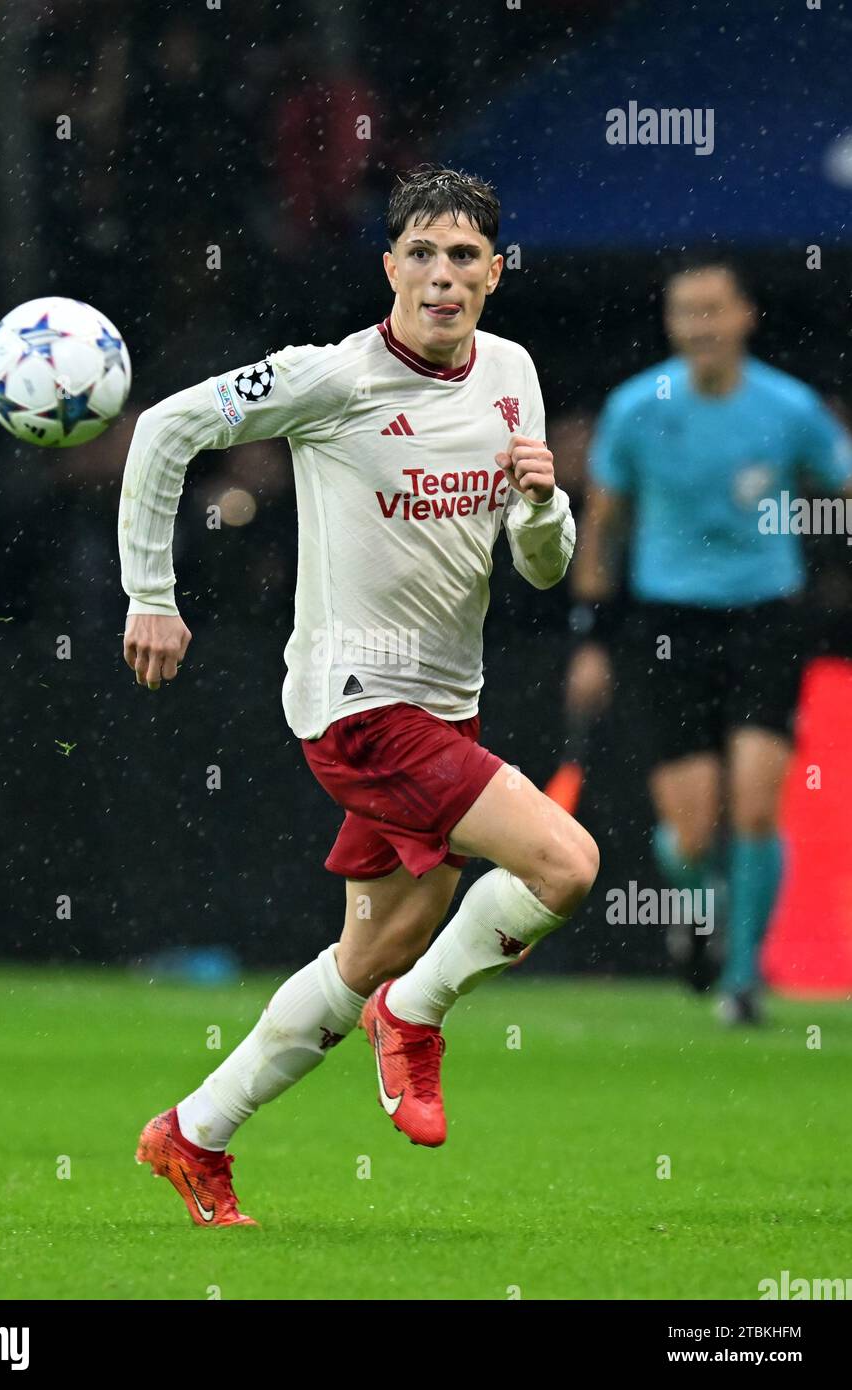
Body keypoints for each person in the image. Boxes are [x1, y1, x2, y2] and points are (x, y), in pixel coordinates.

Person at [118, 164, 598, 1227]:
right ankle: (415, 1016)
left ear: (494, 274)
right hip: (354, 706)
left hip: (445, 704)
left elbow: (541, 567)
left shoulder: (511, 374)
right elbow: (163, 429)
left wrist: (538, 504)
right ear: (387, 266)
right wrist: (150, 593)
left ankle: (192, 1133)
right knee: (565, 863)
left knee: (372, 946)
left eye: (463, 256)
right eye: (420, 253)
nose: (440, 275)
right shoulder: (331, 379)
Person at [567, 254, 852, 1026]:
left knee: (758, 811)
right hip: (668, 625)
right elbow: (603, 526)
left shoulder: (790, 409)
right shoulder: (634, 409)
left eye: (712, 310)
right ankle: (709, 916)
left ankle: (743, 977)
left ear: (743, 317)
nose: (699, 325)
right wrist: (592, 638)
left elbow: (841, 483)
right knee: (690, 836)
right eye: (684, 313)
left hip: (766, 618)